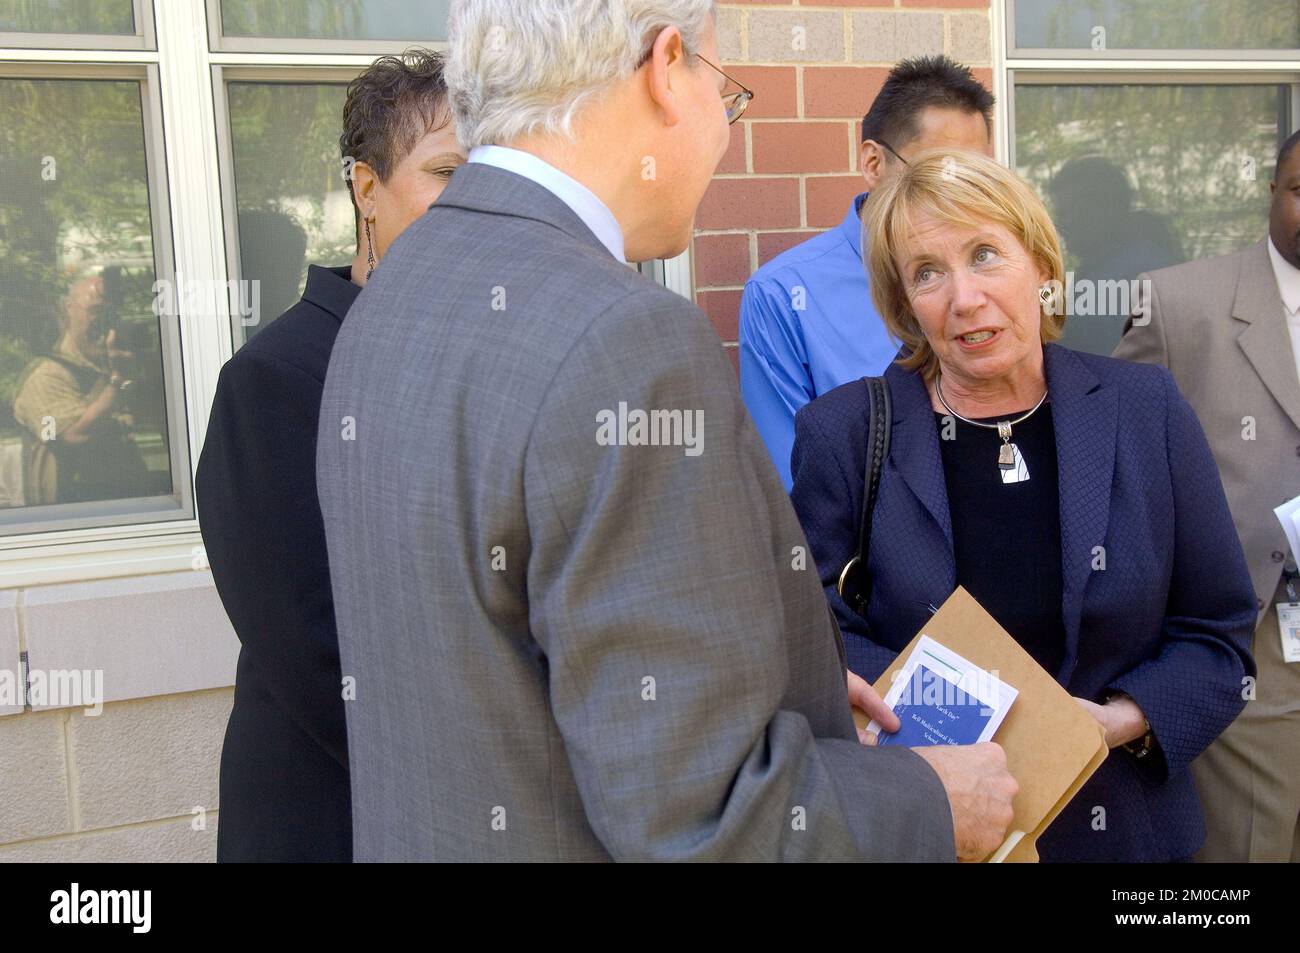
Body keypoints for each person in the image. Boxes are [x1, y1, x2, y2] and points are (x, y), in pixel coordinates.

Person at [317, 0, 1017, 863]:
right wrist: (929, 800)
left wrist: (762, 690)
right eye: (724, 97)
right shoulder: (626, 338)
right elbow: (709, 820)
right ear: (666, 65)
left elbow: (511, 649)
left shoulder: (395, 288)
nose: (722, 137)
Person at [790, 149, 1258, 862]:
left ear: (1041, 265)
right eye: (926, 273)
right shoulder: (845, 434)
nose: (964, 297)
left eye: (985, 255)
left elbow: (1218, 635)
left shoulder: (1145, 411)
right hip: (939, 833)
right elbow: (811, 634)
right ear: (904, 304)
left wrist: (1112, 721)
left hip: (1127, 834)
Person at [196, 48, 465, 863]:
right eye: (448, 171)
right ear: (366, 187)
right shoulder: (276, 380)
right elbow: (320, 651)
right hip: (333, 823)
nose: (476, 204)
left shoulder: (492, 364)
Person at [1113, 129, 1300, 862]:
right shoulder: (1177, 303)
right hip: (1245, 642)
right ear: (1272, 194)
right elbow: (1122, 477)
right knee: (1249, 848)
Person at [740, 55, 994, 489]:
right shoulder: (785, 295)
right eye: (935, 174)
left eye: (973, 177)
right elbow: (793, 480)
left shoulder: (995, 277)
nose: (957, 197)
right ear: (874, 164)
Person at [12, 269, 151, 504]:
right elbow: (75, 435)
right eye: (95, 311)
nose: (103, 324)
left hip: (128, 506)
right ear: (67, 311)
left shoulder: (110, 370)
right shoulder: (46, 375)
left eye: (110, 314)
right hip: (75, 519)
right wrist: (117, 380)